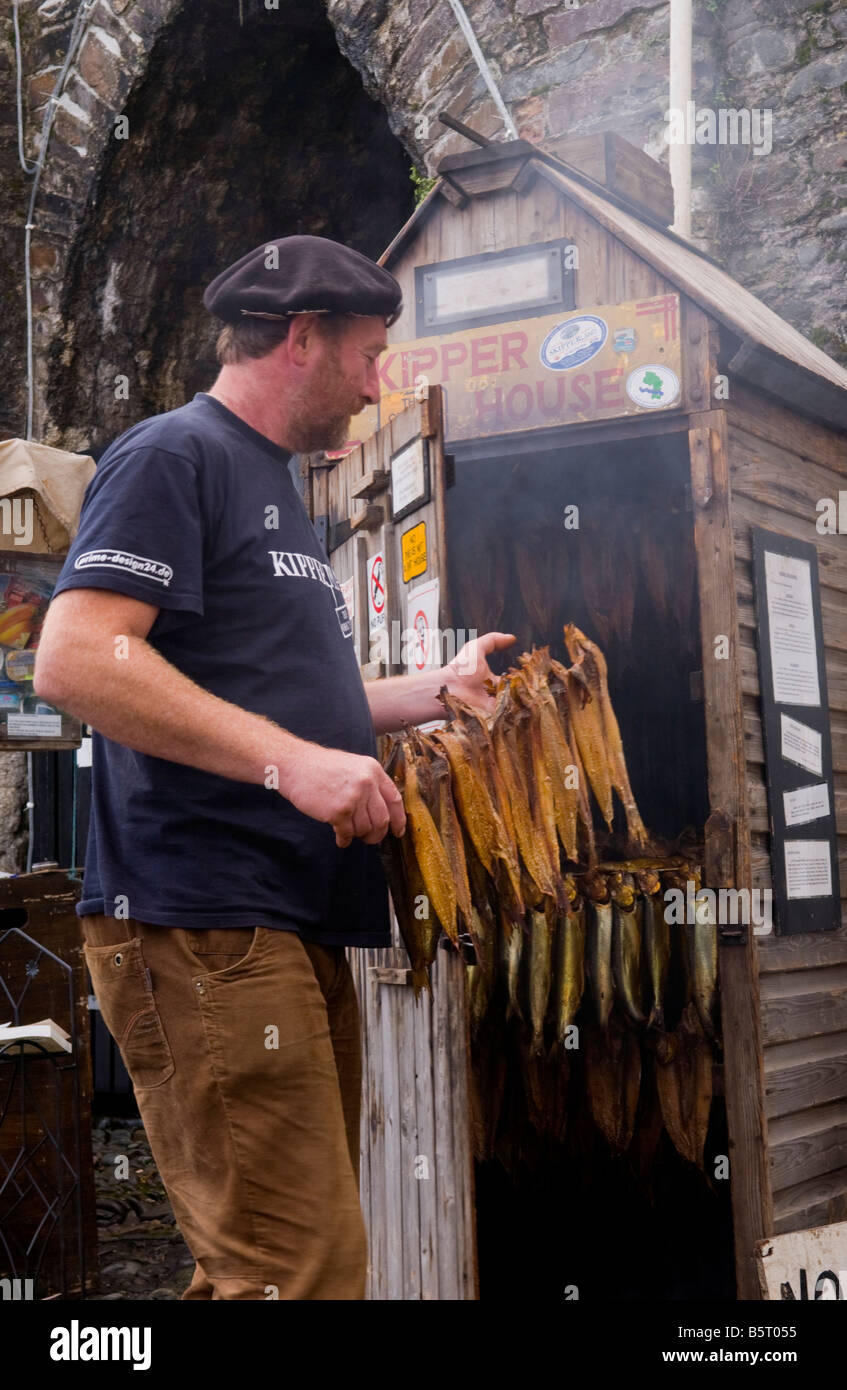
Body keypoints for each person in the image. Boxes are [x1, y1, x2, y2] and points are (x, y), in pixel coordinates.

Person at [34, 235, 514, 1301]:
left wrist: (431, 690)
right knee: (299, 1273)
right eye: (369, 355)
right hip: (204, 919)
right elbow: (75, 657)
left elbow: (282, 698)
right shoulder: (174, 455)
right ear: (303, 338)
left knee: (263, 1266)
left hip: (281, 923)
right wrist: (292, 762)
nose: (375, 382)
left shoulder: (271, 485)